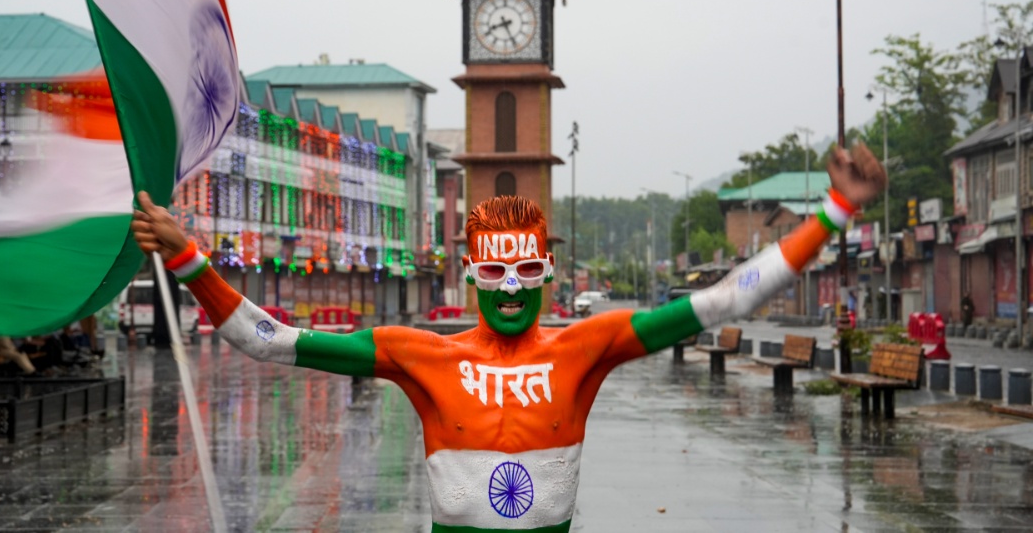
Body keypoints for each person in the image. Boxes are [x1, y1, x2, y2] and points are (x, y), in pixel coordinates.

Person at [132, 144, 886, 532]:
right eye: (497, 271)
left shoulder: (585, 346)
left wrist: (833, 213)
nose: (515, 286)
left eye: (529, 268)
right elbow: (270, 339)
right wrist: (186, 255)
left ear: (550, 269)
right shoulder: (420, 353)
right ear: (469, 273)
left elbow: (723, 299)